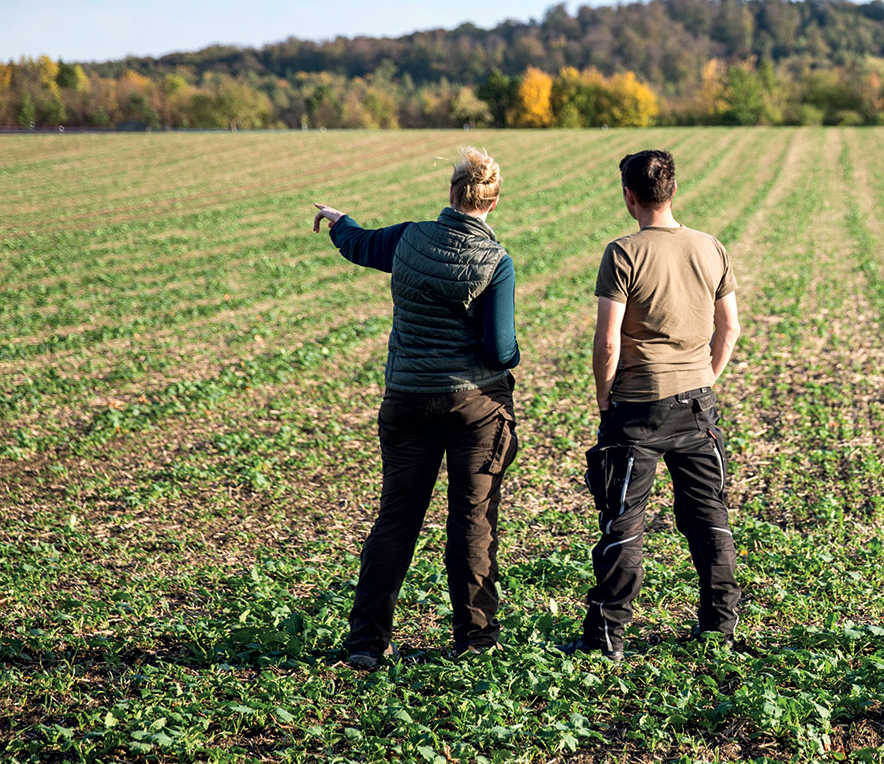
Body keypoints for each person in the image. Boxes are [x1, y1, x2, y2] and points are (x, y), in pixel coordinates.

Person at [311, 146, 520, 670]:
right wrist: (514, 355)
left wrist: (340, 221)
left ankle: (365, 643)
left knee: (397, 520)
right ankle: (474, 640)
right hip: (474, 407)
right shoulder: (495, 262)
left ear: (451, 193)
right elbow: (500, 350)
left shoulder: (409, 237)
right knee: (471, 520)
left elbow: (359, 244)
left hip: (405, 400)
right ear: (493, 202)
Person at [565, 149, 743, 662]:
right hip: (696, 405)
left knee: (623, 522)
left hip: (636, 408)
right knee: (709, 515)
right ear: (672, 190)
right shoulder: (710, 247)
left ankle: (607, 638)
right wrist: (705, 378)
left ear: (629, 195)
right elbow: (730, 327)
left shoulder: (623, 252)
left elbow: (607, 341)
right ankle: (719, 627)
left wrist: (604, 396)